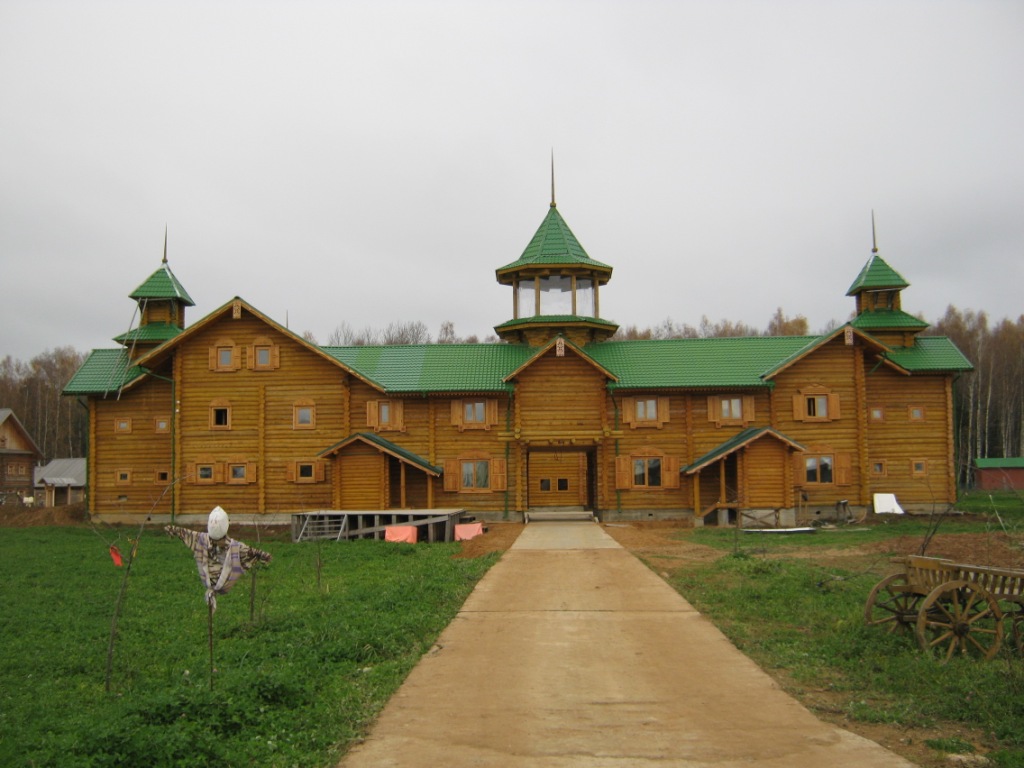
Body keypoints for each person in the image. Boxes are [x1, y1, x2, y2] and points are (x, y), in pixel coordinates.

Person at [165, 506, 272, 610]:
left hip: (221, 582)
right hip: (215, 580)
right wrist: (261, 555)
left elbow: (249, 551)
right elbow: (249, 551)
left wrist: (260, 554)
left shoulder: (228, 546)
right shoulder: (203, 540)